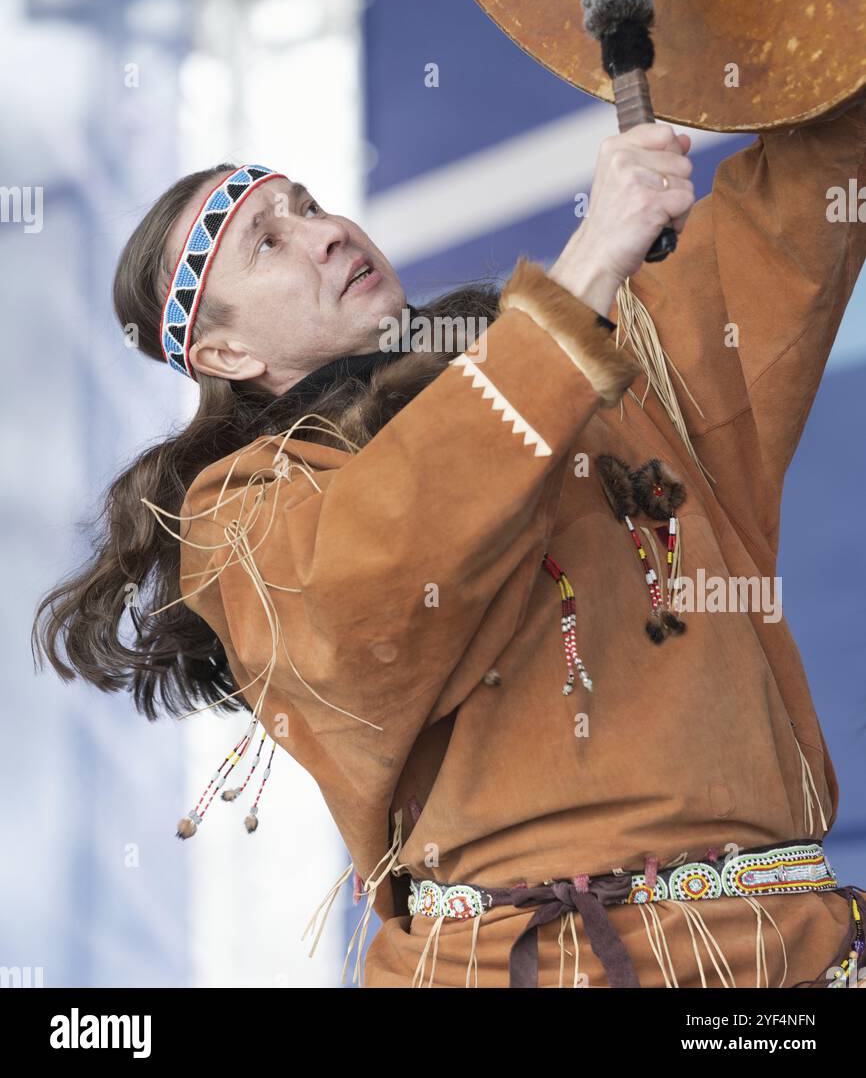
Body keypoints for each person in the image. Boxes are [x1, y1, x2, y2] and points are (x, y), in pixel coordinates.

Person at [33, 106, 866, 989]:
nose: (323, 234)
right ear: (224, 350)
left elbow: (814, 175)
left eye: (309, 205)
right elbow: (382, 576)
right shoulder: (241, 514)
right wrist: (580, 275)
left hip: (788, 962)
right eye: (267, 244)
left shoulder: (627, 367)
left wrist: (779, 14)